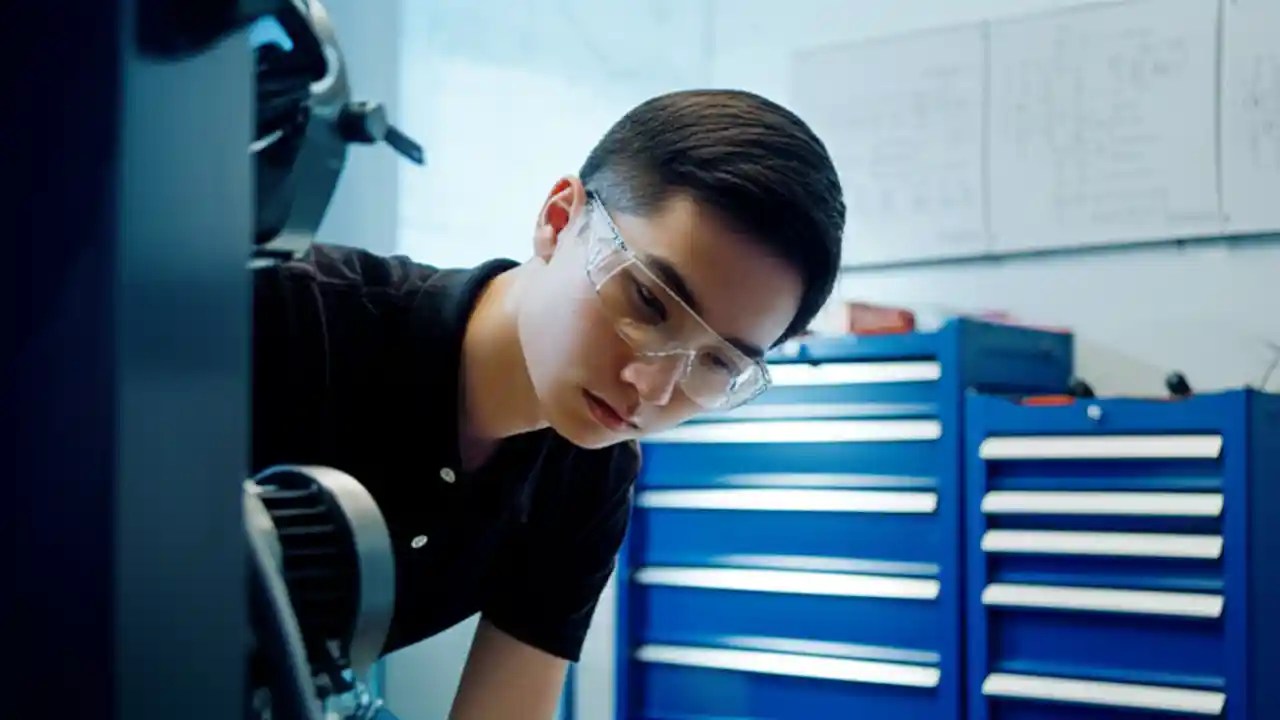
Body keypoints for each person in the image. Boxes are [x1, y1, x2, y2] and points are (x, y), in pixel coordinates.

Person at [250, 88, 846, 718]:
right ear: (560, 220)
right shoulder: (284, 319)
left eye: (719, 363)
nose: (653, 387)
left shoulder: (591, 473)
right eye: (648, 301)